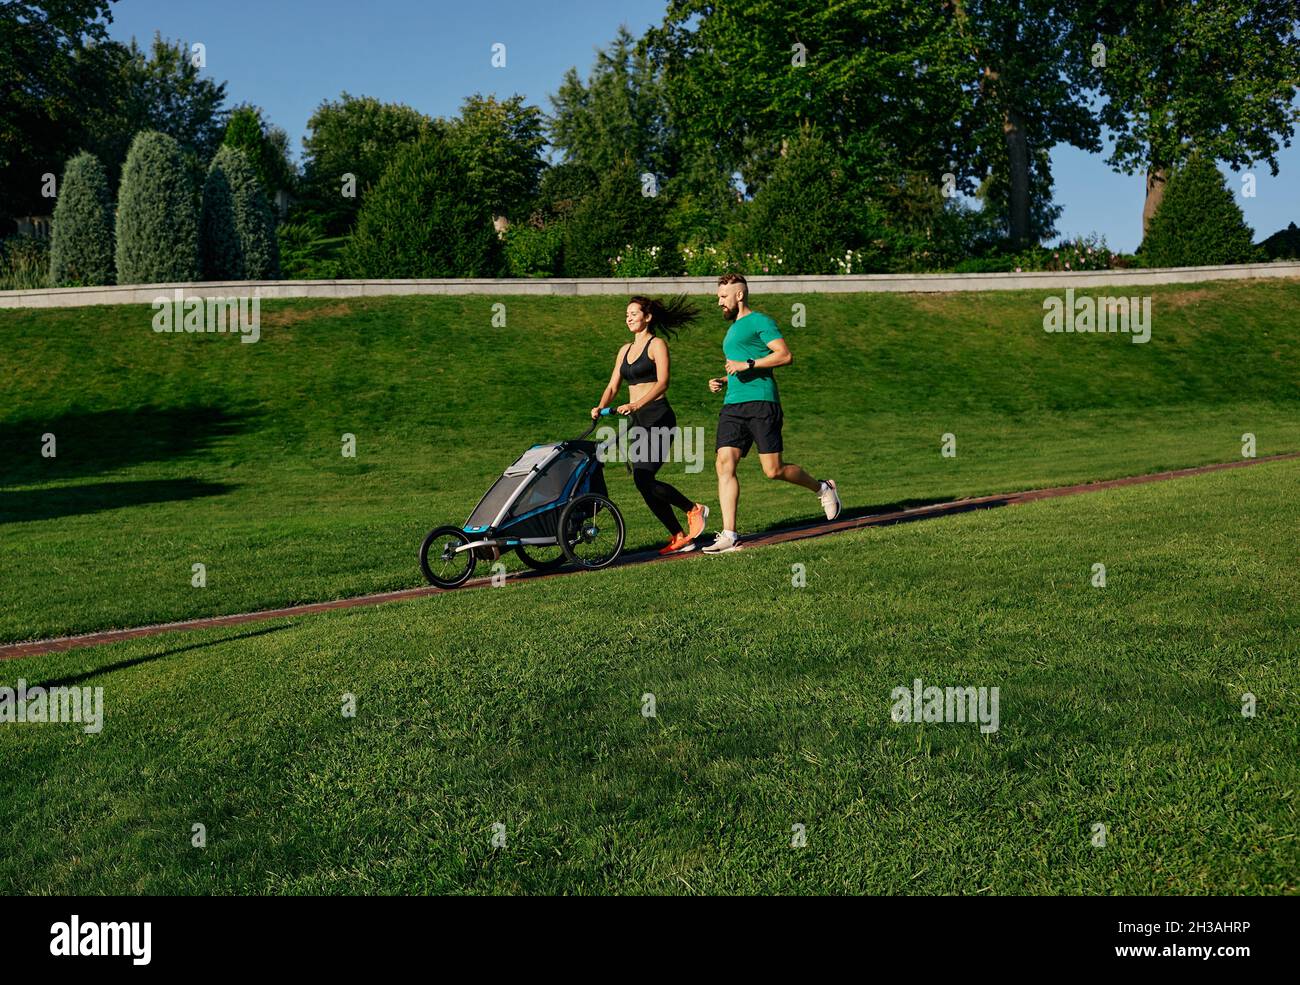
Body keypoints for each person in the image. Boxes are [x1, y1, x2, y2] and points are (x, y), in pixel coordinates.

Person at [702, 273, 840, 554]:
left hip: (762, 403)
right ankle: (729, 534)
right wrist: (726, 379)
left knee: (773, 470)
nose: (719, 302)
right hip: (733, 405)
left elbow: (784, 355)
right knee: (724, 462)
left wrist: (748, 364)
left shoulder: (760, 321)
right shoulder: (732, 330)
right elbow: (741, 367)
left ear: (739, 295)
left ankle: (822, 487)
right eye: (718, 297)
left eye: (723, 297)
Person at [591, 295, 710, 555]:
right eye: (627, 315)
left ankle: (693, 509)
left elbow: (663, 383)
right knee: (642, 481)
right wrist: (600, 407)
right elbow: (613, 385)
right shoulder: (624, 350)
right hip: (639, 421)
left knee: (644, 475)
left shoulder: (657, 345)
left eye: (634, 313)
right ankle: (679, 535)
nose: (629, 318)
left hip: (658, 415)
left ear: (647, 317)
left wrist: (637, 404)